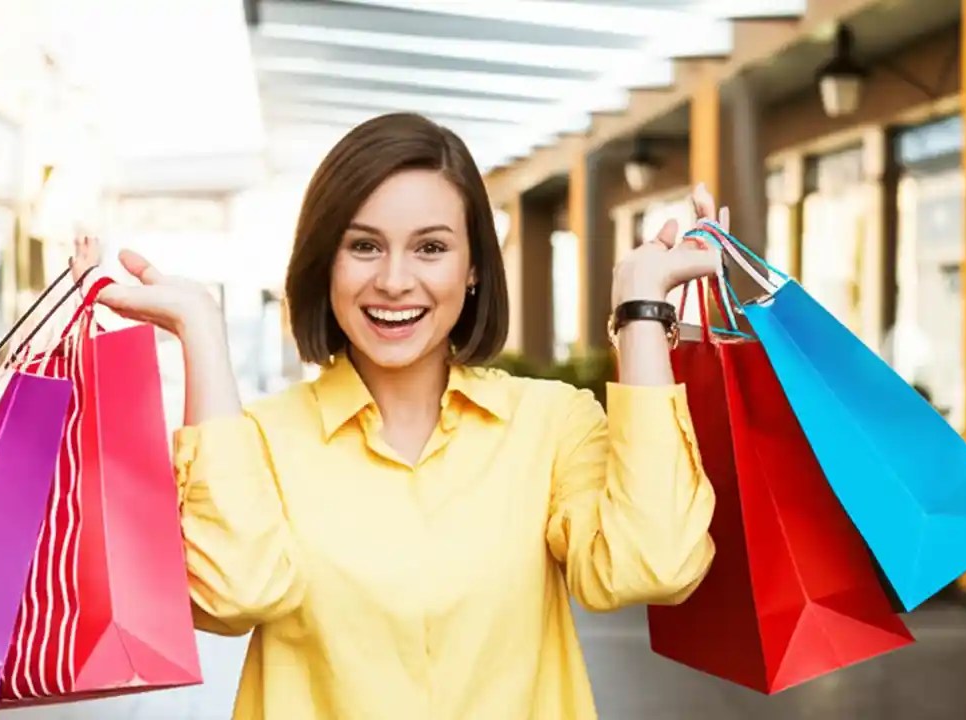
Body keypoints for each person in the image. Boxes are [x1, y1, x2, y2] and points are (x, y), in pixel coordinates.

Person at [71, 112, 722, 720]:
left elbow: (652, 563)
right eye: (364, 246)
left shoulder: (549, 424)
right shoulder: (260, 441)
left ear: (472, 270)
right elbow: (233, 595)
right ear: (325, 261)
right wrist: (201, 334)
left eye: (431, 248)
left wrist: (641, 315)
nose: (393, 280)